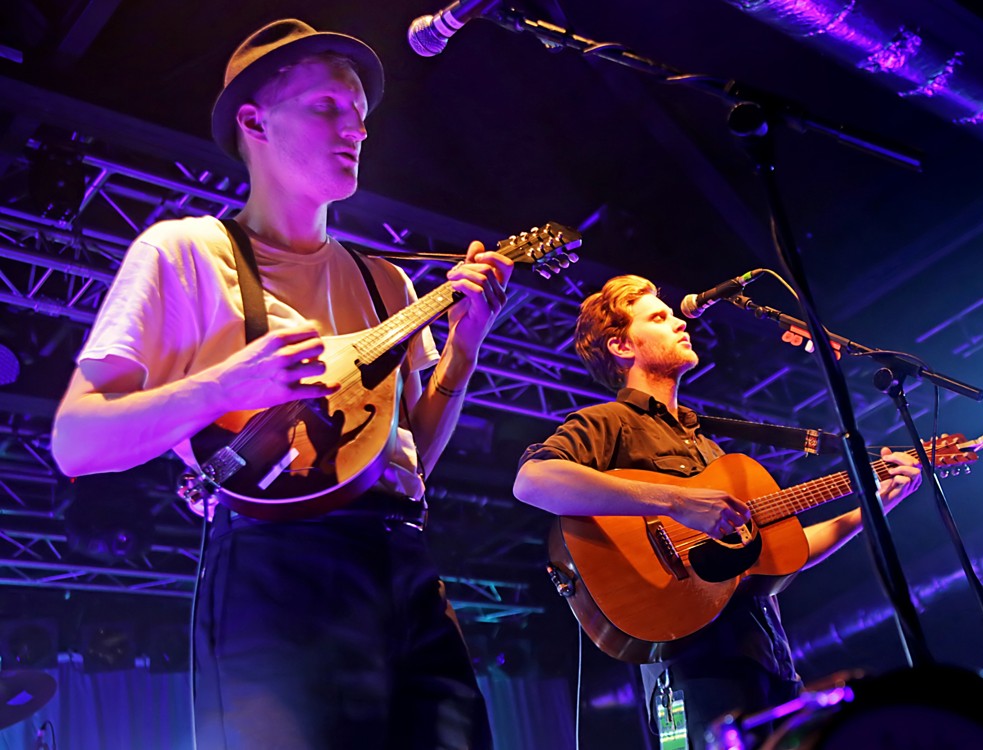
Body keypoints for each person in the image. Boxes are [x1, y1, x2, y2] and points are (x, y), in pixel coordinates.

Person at [51, 18, 513, 749]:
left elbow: (411, 455)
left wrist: (466, 346)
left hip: (406, 561)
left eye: (361, 114)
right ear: (254, 120)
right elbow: (77, 441)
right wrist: (221, 387)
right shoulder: (187, 251)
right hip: (280, 566)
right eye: (330, 106)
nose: (355, 128)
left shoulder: (384, 279)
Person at [512, 274, 922, 749]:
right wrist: (677, 502)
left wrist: (875, 504)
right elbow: (533, 481)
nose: (679, 324)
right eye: (659, 318)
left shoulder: (707, 448)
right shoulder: (609, 422)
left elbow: (784, 552)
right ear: (622, 346)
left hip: (767, 660)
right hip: (692, 668)